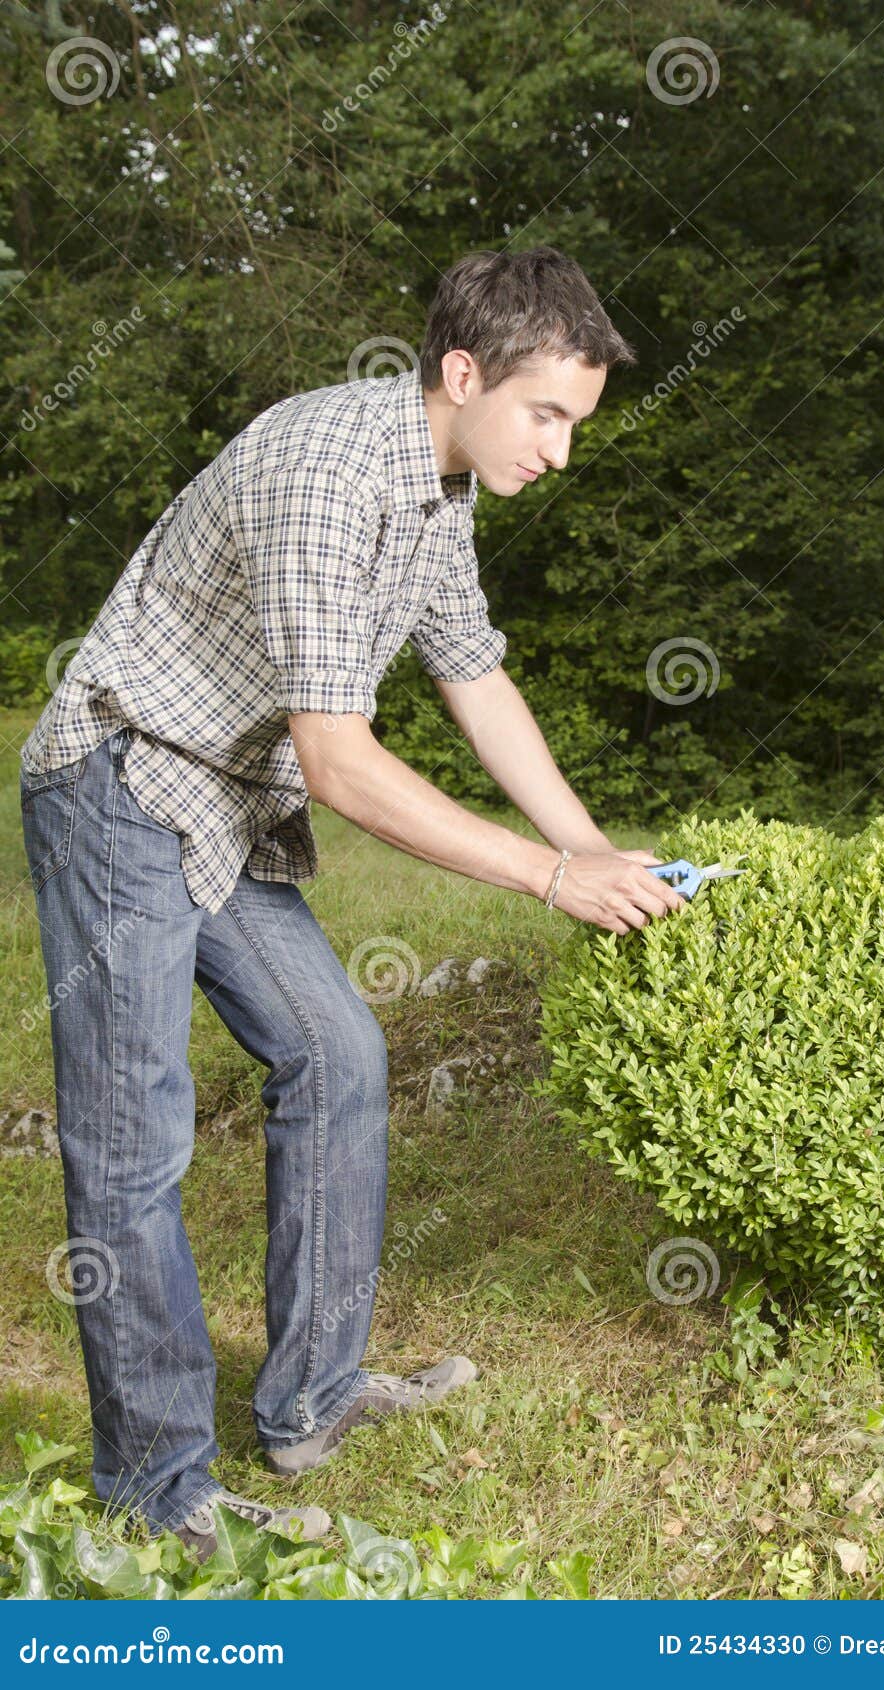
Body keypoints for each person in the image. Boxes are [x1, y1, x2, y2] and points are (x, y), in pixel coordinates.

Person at [18, 245, 687, 1564]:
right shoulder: (329, 471)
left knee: (340, 1051)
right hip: (121, 778)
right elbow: (340, 760)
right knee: (132, 1135)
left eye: (575, 422)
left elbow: (477, 678)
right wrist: (548, 878)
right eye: (546, 414)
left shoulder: (441, 492)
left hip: (222, 792)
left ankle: (311, 1402)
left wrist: (596, 848)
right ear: (461, 372)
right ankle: (158, 1487)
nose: (561, 449)